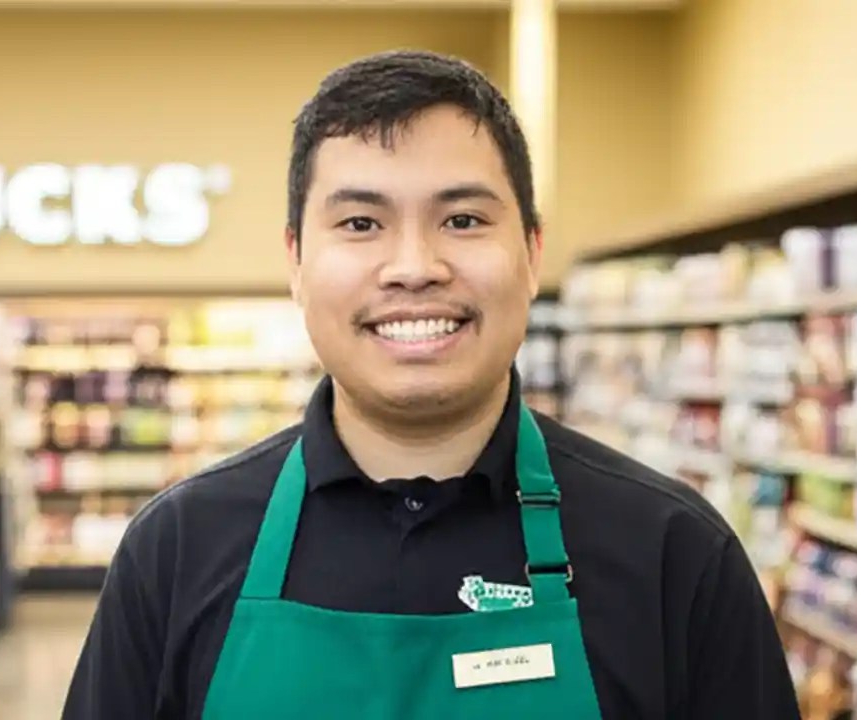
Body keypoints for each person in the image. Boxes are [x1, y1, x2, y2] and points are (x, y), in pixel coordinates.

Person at [62, 49, 800, 719]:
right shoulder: (177, 551)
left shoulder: (675, 556)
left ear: (533, 253)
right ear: (294, 261)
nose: (414, 265)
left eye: (463, 218)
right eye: (359, 223)